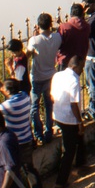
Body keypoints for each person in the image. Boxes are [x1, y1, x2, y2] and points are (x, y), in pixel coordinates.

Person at [0, 79, 46, 188]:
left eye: (3, 87)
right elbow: (7, 90)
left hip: (15, 143)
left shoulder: (8, 105)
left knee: (12, 170)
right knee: (29, 168)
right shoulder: (24, 97)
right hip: (27, 139)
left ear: (8, 91)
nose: (1, 89)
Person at [50, 55, 89, 188]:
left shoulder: (58, 75)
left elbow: (52, 95)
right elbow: (74, 104)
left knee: (78, 139)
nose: (82, 70)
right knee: (69, 150)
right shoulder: (74, 80)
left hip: (57, 113)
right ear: (75, 66)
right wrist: (80, 122)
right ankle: (60, 181)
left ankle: (81, 163)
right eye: (81, 67)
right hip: (68, 118)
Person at [27, 13, 62, 144]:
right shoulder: (57, 38)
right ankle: (49, 130)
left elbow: (27, 53)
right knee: (49, 105)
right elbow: (56, 35)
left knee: (34, 107)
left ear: (37, 25)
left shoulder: (34, 41)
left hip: (37, 77)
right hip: (51, 75)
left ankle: (38, 133)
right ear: (50, 24)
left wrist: (34, 35)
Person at [55, 3, 88, 71]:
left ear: (70, 14)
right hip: (79, 62)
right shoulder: (87, 26)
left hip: (65, 61)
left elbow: (57, 44)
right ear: (82, 14)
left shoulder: (64, 27)